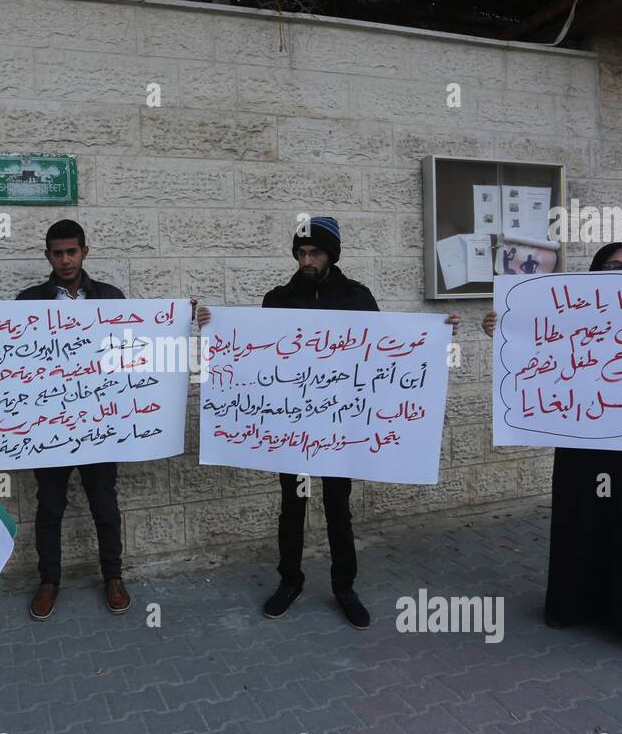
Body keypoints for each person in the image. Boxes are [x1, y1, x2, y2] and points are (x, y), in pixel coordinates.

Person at [196, 217, 461, 629]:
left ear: (331, 254)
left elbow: (388, 349)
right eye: (301, 253)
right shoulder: (278, 299)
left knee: (338, 508)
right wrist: (214, 328)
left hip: (342, 427)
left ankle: (344, 587)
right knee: (292, 506)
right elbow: (254, 353)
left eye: (314, 252)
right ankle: (289, 582)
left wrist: (437, 334)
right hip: (293, 426)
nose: (307, 260)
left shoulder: (356, 297)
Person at [482, 243, 622, 641]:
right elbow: (534, 343)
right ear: (596, 272)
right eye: (613, 265)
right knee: (590, 517)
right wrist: (501, 329)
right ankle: (579, 603)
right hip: (591, 441)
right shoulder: (576, 314)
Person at [0, 219, 130, 621]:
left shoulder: (112, 298)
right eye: (57, 253)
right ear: (47, 256)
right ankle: (49, 581)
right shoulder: (28, 300)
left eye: (72, 251)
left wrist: (181, 317)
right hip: (49, 427)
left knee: (105, 506)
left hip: (98, 423)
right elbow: (3, 342)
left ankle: (113, 577)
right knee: (49, 507)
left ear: (85, 252)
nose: (65, 260)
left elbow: (136, 342)